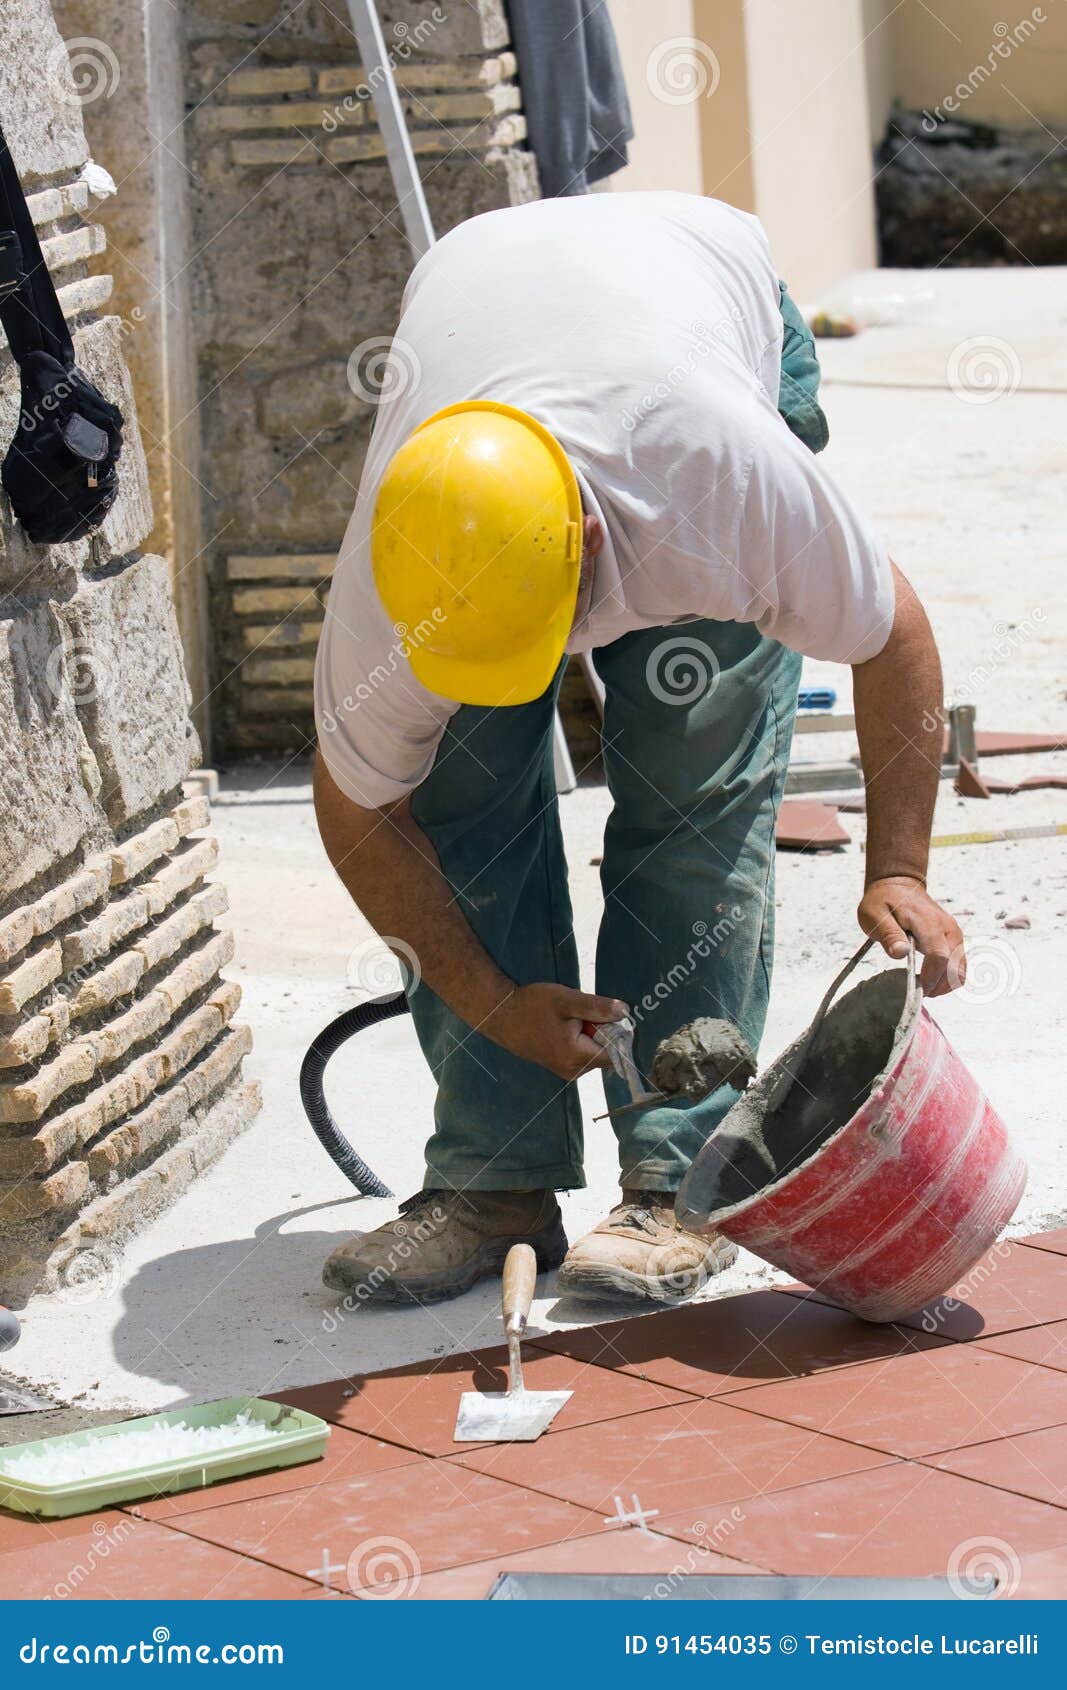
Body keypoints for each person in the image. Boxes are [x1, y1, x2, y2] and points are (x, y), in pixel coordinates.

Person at [313, 191, 965, 1306]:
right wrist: (490, 999)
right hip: (496, 324)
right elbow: (359, 812)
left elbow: (892, 638)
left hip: (694, 320)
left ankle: (678, 1179)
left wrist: (895, 865)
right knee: (460, 804)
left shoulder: (719, 482)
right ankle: (492, 1180)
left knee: (693, 793)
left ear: (593, 539)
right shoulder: (404, 568)